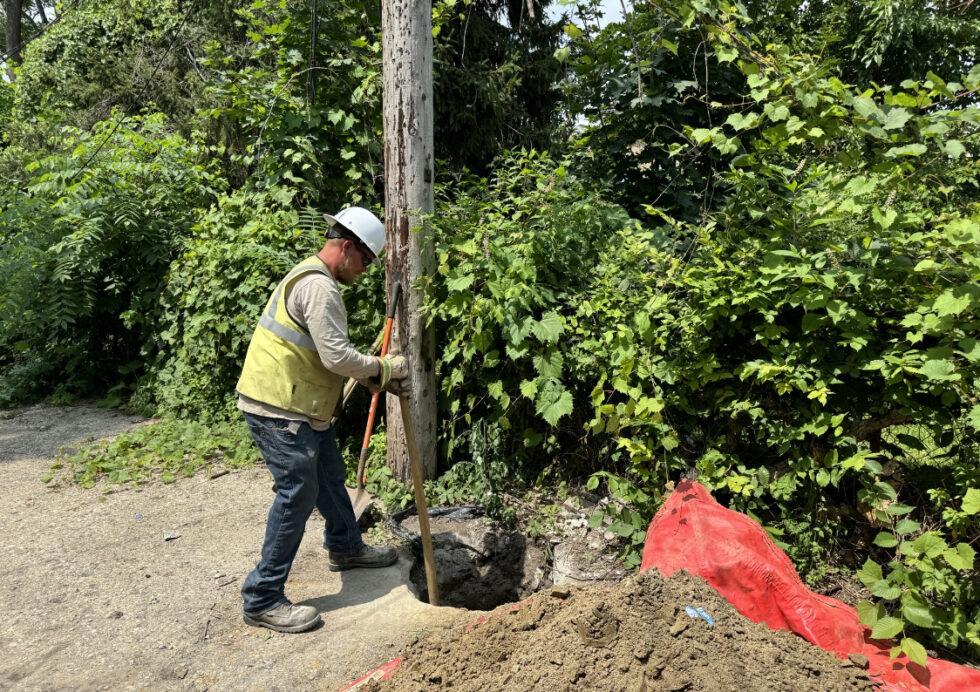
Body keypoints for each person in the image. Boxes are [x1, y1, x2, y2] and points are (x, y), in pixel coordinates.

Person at [235, 206, 407, 633]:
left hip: (302, 405)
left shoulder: (311, 275)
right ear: (346, 247)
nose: (365, 271)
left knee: (330, 477)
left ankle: (346, 547)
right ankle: (262, 597)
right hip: (279, 408)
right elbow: (336, 355)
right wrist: (385, 369)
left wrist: (366, 373)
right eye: (365, 260)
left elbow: (324, 356)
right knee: (297, 493)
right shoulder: (320, 288)